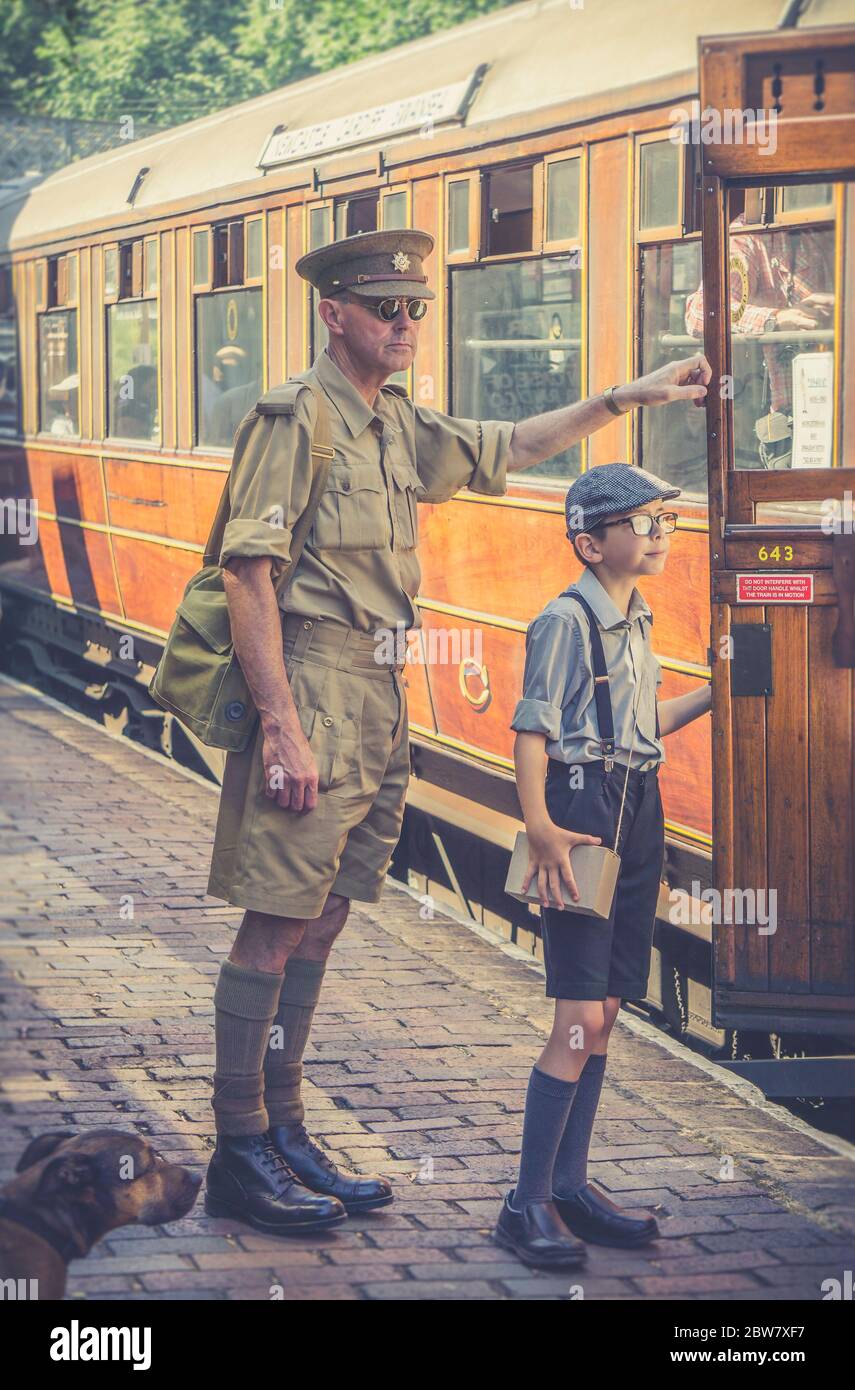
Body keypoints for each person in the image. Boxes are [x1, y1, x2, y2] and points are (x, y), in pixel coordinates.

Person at [202, 225, 712, 1237]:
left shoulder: (394, 422)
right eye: (383, 307)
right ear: (333, 311)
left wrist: (627, 398)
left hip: (381, 692)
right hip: (314, 686)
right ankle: (237, 1146)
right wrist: (280, 727)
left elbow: (512, 446)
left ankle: (287, 1127)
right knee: (275, 919)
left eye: (414, 309)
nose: (403, 323)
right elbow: (245, 570)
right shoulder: (293, 418)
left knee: (329, 913)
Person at [493, 463, 712, 1268]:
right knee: (576, 1018)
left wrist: (712, 694)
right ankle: (527, 1202)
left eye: (665, 521)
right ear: (590, 542)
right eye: (645, 523)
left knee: (609, 1009)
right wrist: (542, 827)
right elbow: (532, 731)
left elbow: (637, 718)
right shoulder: (564, 619)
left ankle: (572, 1186)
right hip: (582, 812)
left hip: (636, 801)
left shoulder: (636, 616)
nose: (661, 535)